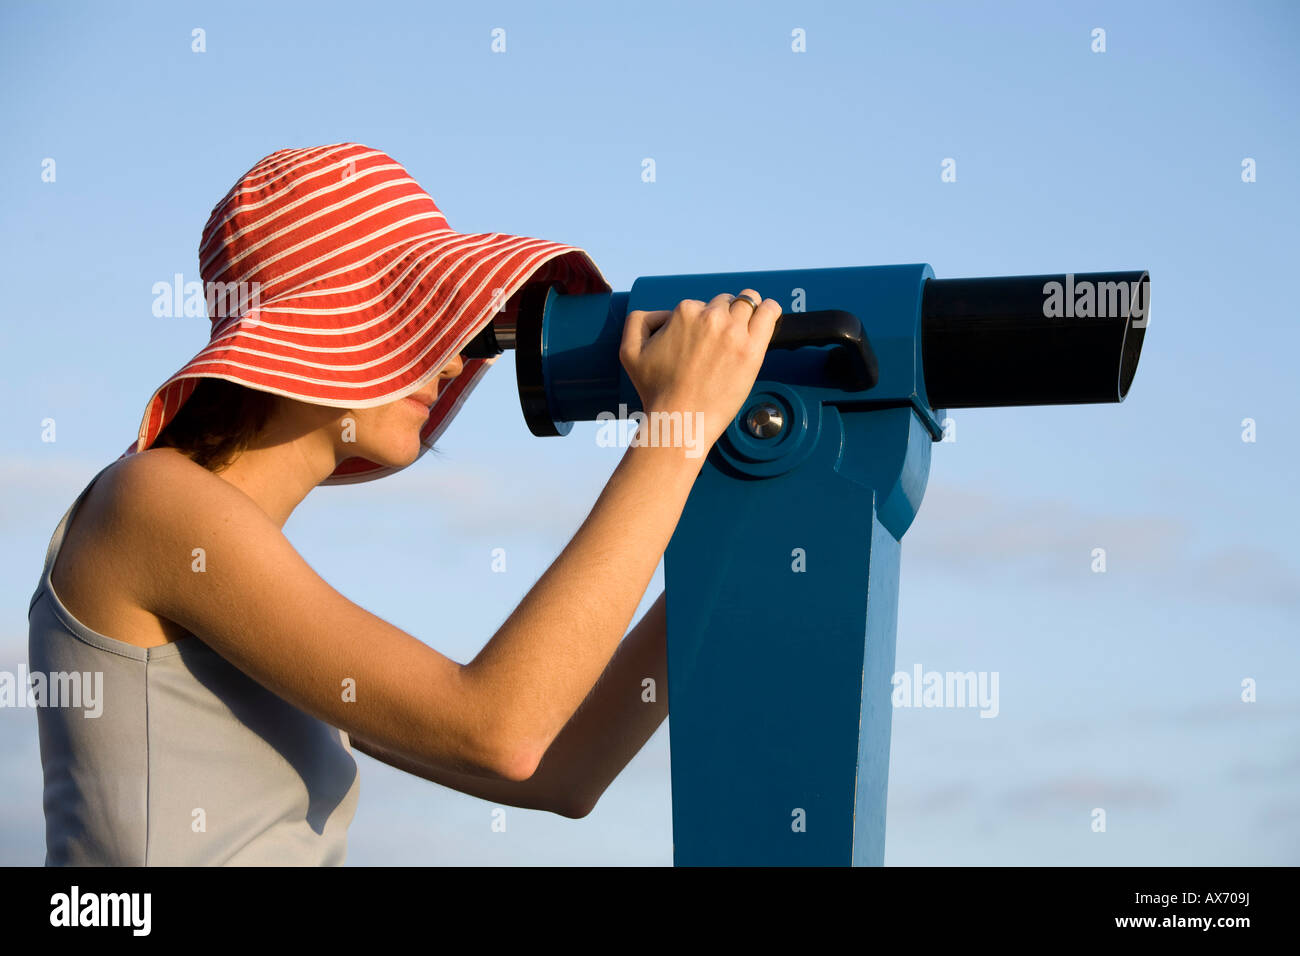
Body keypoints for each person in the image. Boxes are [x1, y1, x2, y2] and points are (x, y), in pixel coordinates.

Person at [27, 142, 780, 865]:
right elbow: (500, 729)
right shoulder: (150, 500)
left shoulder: (232, 570)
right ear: (325, 323)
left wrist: (731, 528)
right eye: (411, 317)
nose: (453, 358)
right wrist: (678, 427)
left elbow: (561, 772)